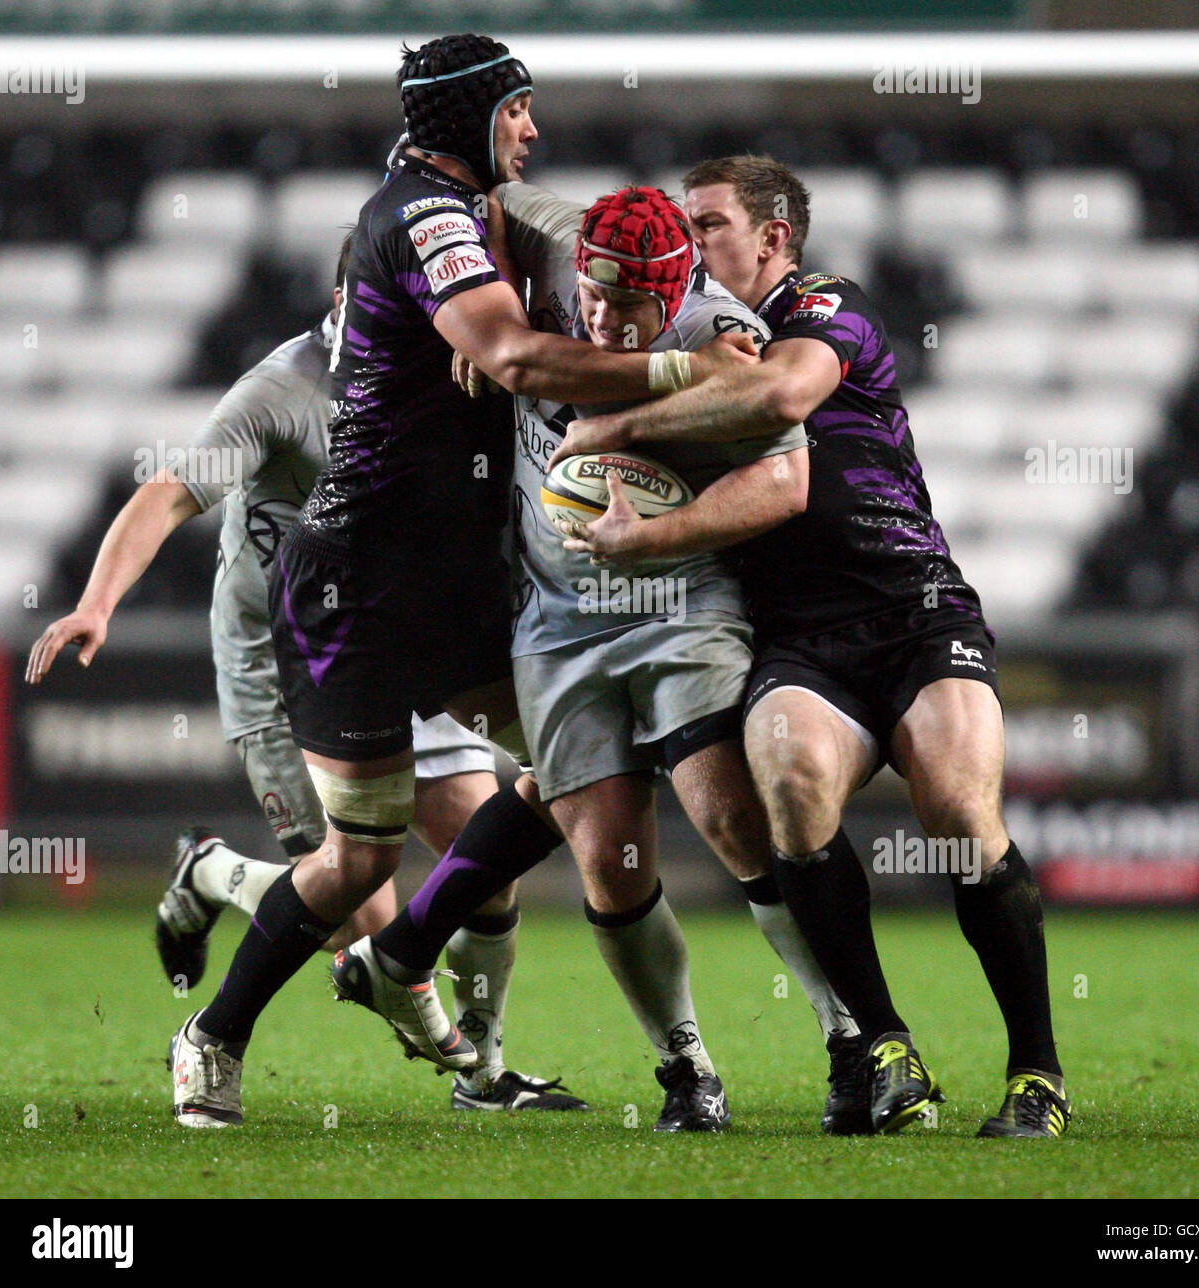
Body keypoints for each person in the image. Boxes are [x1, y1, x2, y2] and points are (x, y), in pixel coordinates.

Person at [158, 34, 748, 1128]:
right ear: (469, 114)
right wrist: (682, 366)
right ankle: (212, 1036)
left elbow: (506, 335)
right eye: (516, 109)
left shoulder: (472, 209)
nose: (533, 129)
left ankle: (438, 993)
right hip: (358, 588)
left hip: (456, 579)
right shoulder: (424, 211)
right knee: (356, 861)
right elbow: (516, 356)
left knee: (575, 768)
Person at [553, 155, 1070, 1139]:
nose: (688, 243)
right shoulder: (683, 338)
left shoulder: (826, 306)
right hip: (796, 637)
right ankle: (884, 1046)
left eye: (707, 224)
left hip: (913, 609)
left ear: (773, 238)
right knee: (790, 786)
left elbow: (784, 395)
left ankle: (1036, 1073)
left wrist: (618, 424)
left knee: (959, 811)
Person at [340, 182, 860, 1132]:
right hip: (555, 625)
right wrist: (483, 326)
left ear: (676, 294)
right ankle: (685, 1070)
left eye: (630, 308)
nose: (606, 320)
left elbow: (784, 481)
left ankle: (849, 1039)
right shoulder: (550, 252)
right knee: (610, 861)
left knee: (732, 819)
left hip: (682, 605)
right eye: (594, 296)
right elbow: (482, 201)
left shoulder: (725, 339)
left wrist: (655, 538)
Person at [24, 235, 586, 1113]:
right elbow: (169, 492)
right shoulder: (283, 389)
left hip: (401, 639)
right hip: (284, 655)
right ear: (343, 304)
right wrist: (96, 603)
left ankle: (482, 1067)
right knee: (355, 900)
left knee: (483, 859)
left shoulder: (442, 373)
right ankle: (214, 898)